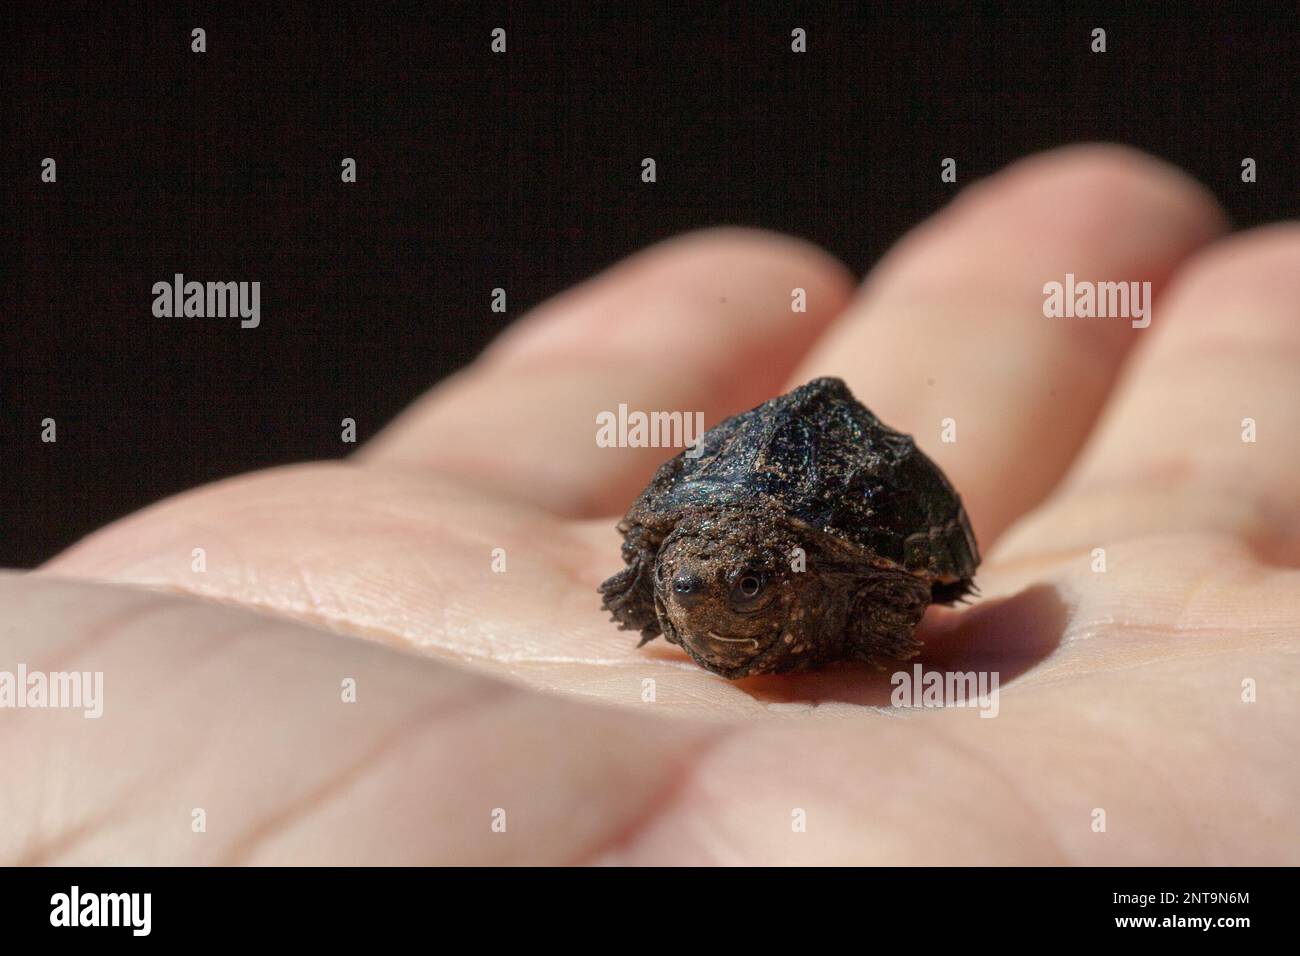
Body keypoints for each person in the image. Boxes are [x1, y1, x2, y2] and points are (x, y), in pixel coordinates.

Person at [7, 144, 1297, 864]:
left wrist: (890, 618)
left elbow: (916, 596)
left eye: (723, 585)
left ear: (787, 580)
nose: (687, 597)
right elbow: (655, 572)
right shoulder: (669, 556)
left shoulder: (826, 569)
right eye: (678, 584)